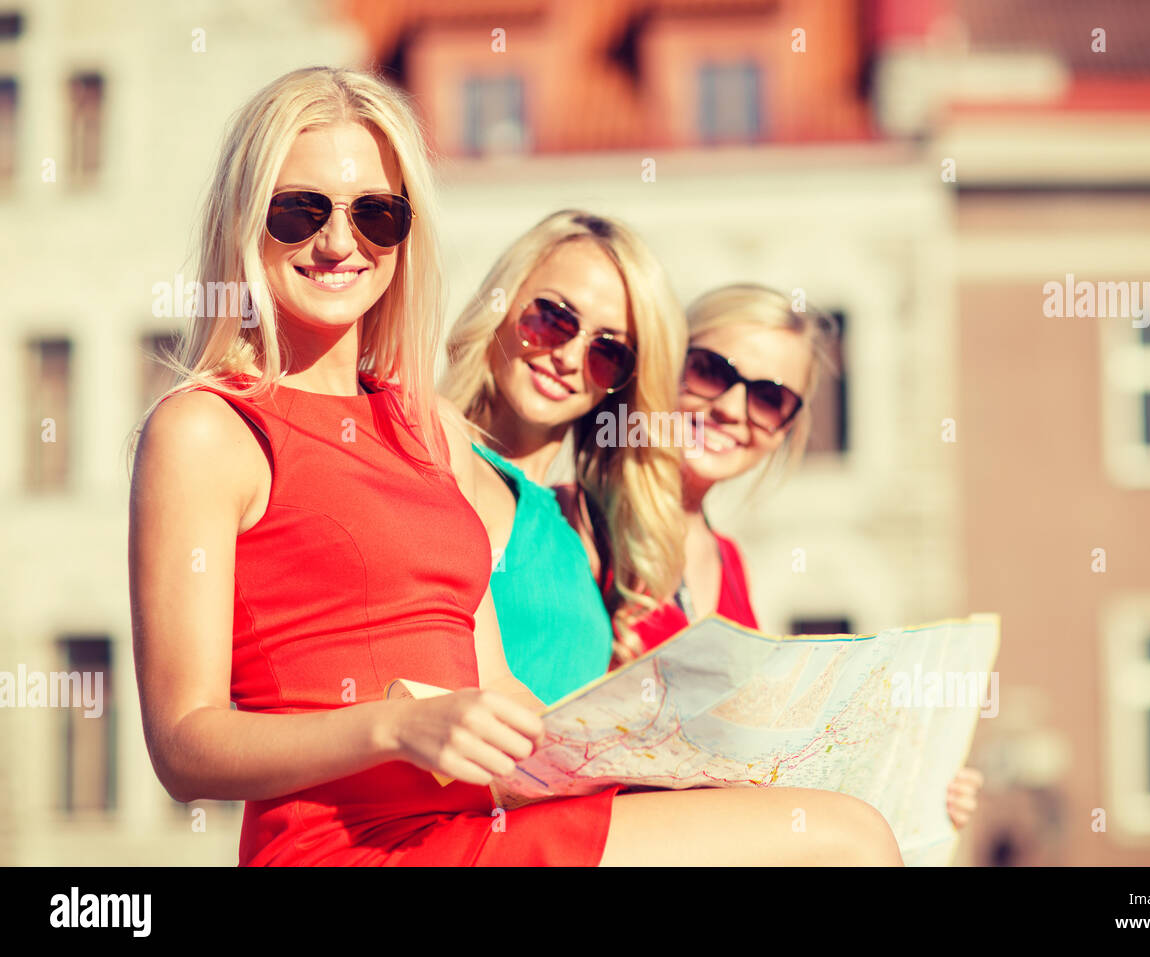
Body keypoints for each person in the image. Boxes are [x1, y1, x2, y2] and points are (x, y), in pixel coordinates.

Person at [128, 68, 903, 865]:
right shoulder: (205, 429)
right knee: (845, 843)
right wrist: (391, 727)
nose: (338, 242)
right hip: (351, 848)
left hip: (480, 827)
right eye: (300, 209)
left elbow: (499, 691)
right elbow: (184, 745)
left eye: (376, 214)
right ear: (244, 218)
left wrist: (682, 767)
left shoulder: (425, 426)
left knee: (845, 826)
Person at [616, 283, 984, 829]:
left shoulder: (731, 565)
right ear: (668, 364)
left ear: (786, 429)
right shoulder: (585, 519)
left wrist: (912, 785)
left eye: (769, 398)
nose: (731, 409)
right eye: (711, 371)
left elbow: (748, 762)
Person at [441, 210, 686, 705]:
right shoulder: (434, 451)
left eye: (608, 351)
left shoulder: (590, 531)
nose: (569, 358)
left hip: (569, 780)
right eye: (552, 319)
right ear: (504, 301)